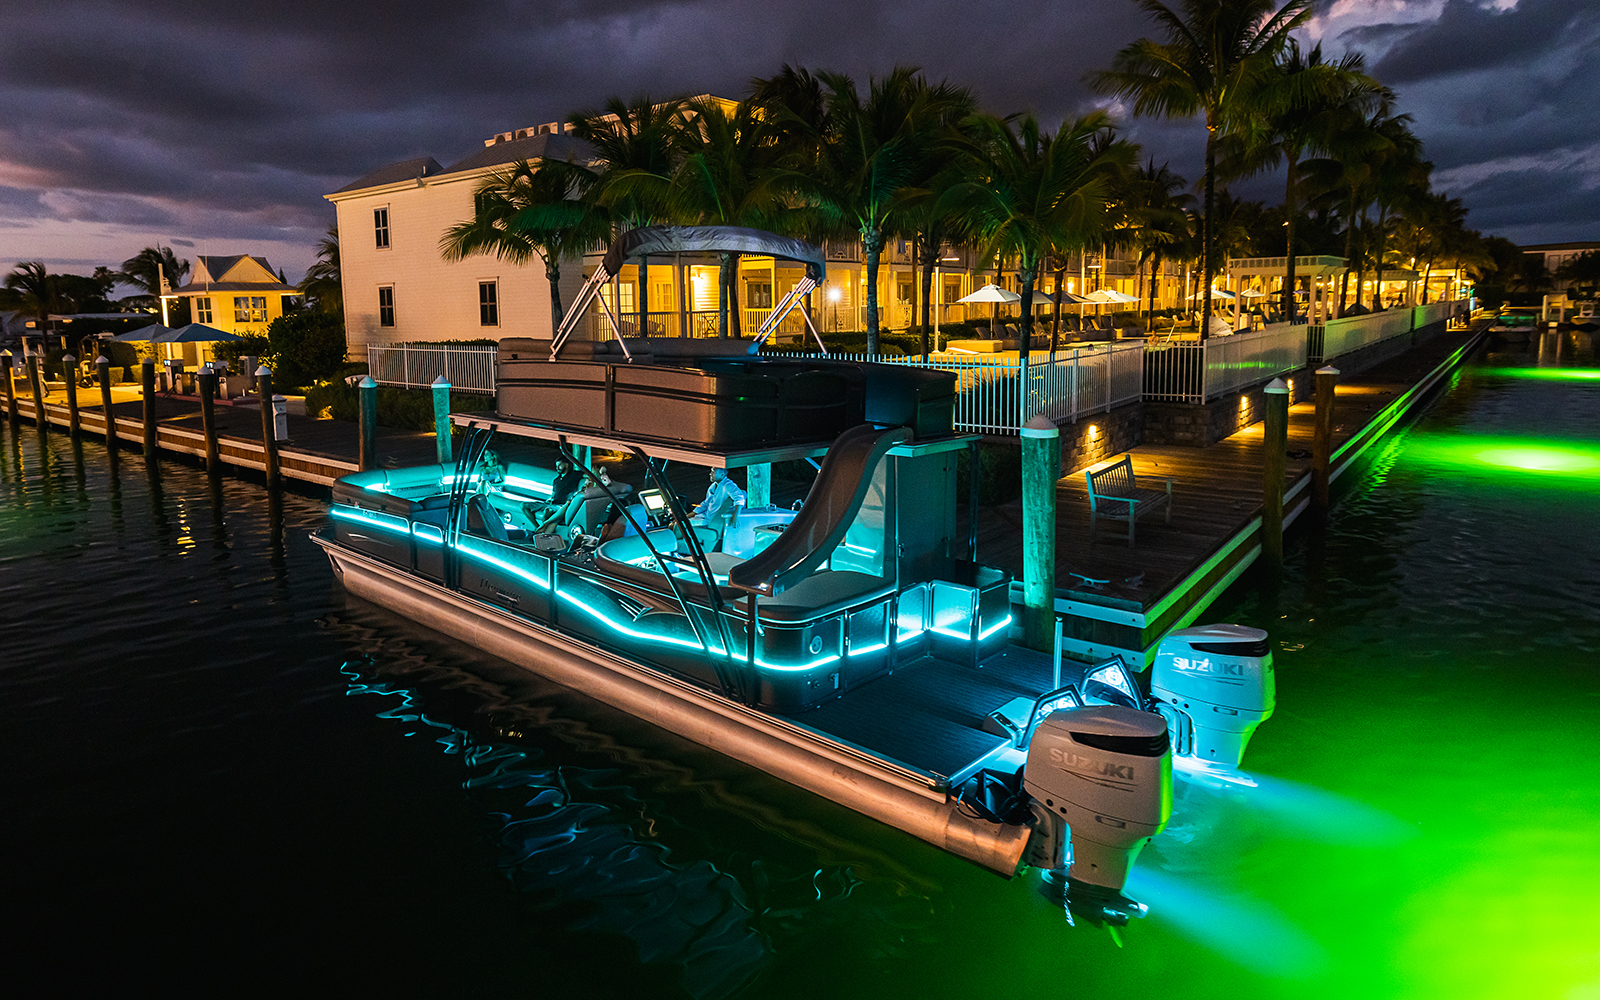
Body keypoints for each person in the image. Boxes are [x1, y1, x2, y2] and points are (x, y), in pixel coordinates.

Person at [692, 467, 746, 545]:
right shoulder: (713, 486)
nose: (710, 474)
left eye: (713, 472)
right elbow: (705, 503)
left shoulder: (728, 485)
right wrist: (692, 514)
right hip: (706, 516)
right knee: (681, 522)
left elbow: (739, 497)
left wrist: (736, 514)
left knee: (680, 525)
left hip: (711, 520)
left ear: (722, 474)